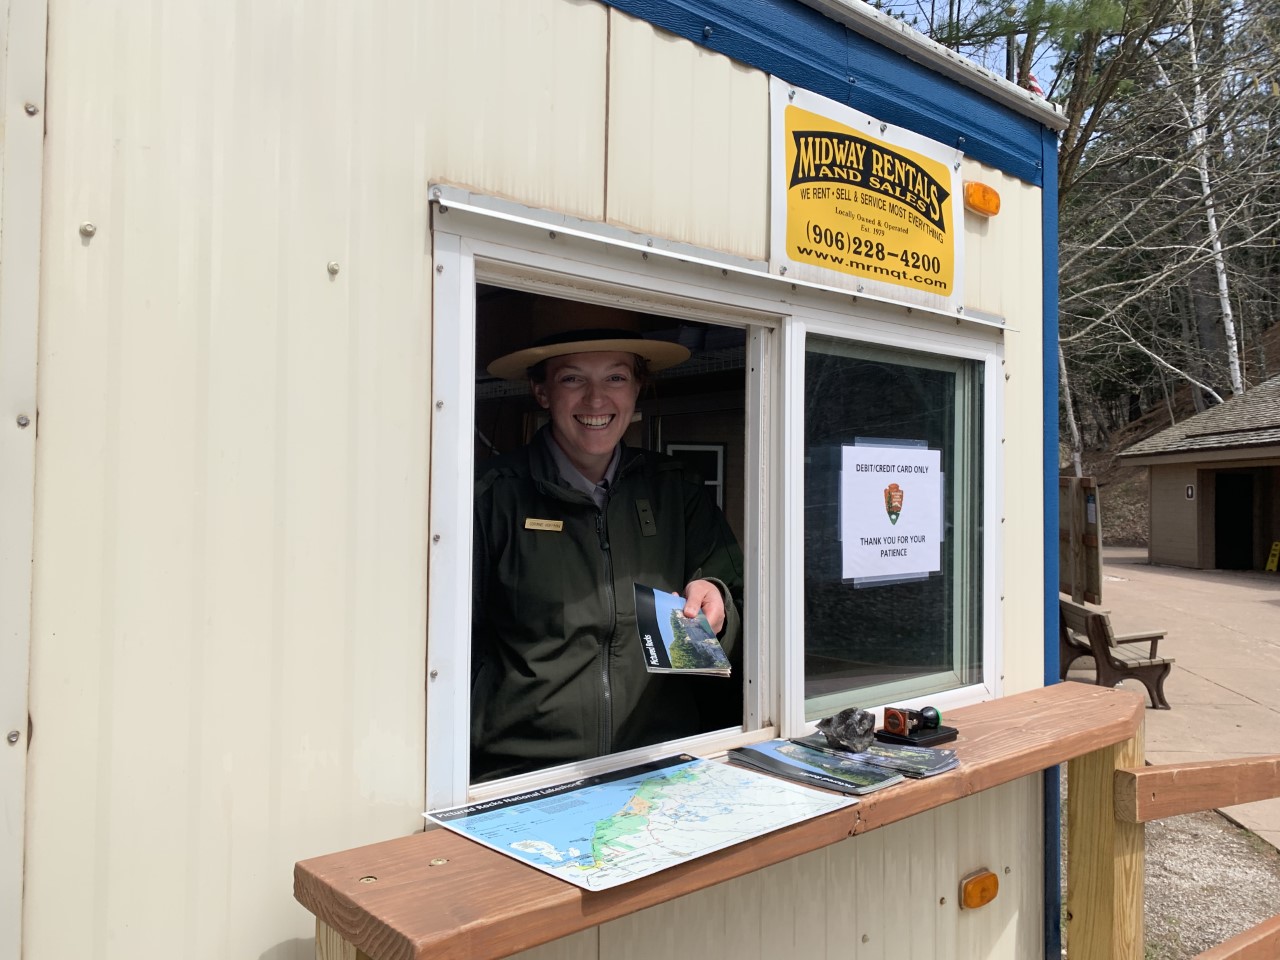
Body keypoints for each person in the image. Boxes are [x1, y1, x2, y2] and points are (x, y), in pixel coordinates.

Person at [471, 327, 744, 782]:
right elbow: (443, 644)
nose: (596, 400)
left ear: (637, 388)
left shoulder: (677, 490)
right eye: (573, 379)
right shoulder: (489, 495)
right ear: (542, 391)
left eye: (616, 378)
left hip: (660, 764)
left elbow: (742, 608)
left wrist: (718, 603)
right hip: (521, 772)